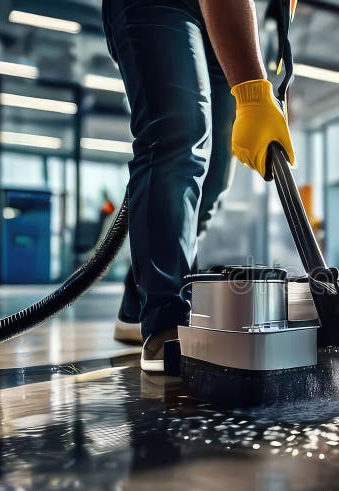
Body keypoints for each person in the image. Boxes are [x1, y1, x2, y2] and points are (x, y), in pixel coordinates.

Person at [102, 0, 295, 371]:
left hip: (228, 20)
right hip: (161, 6)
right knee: (179, 136)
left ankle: (137, 301)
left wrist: (270, 98)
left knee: (215, 177)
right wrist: (252, 94)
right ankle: (165, 322)